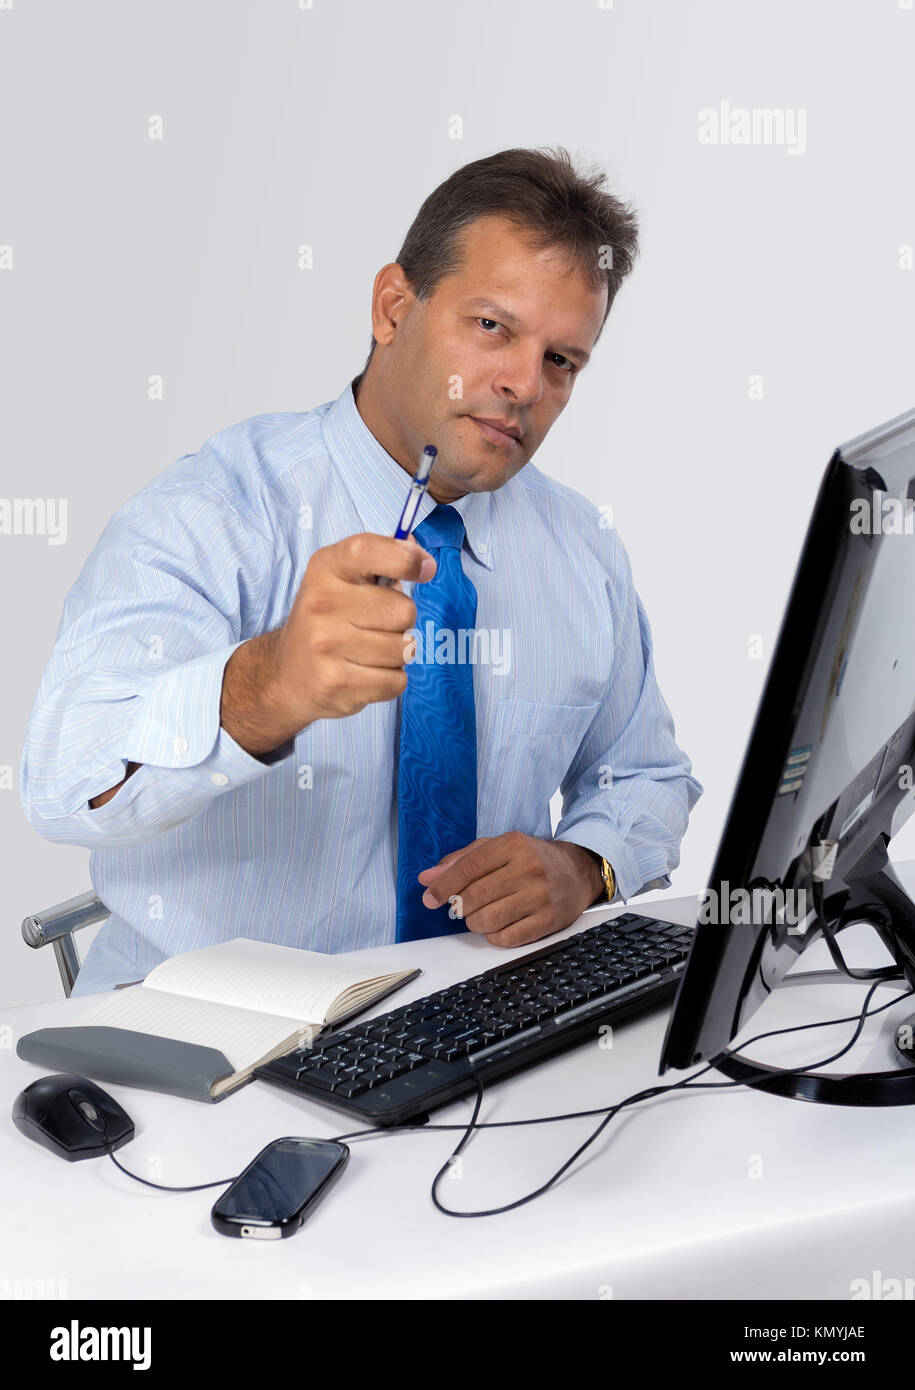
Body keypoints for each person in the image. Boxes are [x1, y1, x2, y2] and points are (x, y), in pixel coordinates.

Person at [20, 145, 701, 994]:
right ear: (391, 307)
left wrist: (584, 865)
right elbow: (59, 782)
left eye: (561, 361)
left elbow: (643, 774)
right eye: (492, 326)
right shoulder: (214, 510)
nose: (524, 383)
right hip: (210, 1052)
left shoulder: (581, 549)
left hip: (472, 1029)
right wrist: (267, 687)